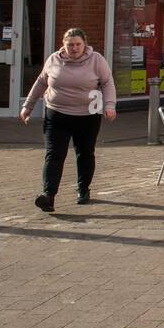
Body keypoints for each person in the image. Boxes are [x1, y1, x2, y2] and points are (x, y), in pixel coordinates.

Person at [20, 28, 117, 211]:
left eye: (78, 44)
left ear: (84, 44)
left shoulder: (97, 60)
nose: (74, 48)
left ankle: (83, 189)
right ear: (63, 45)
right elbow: (41, 82)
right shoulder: (54, 59)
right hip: (57, 115)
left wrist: (110, 106)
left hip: (87, 116)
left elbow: (107, 82)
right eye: (70, 44)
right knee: (54, 154)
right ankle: (48, 196)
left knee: (85, 153)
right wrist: (28, 106)